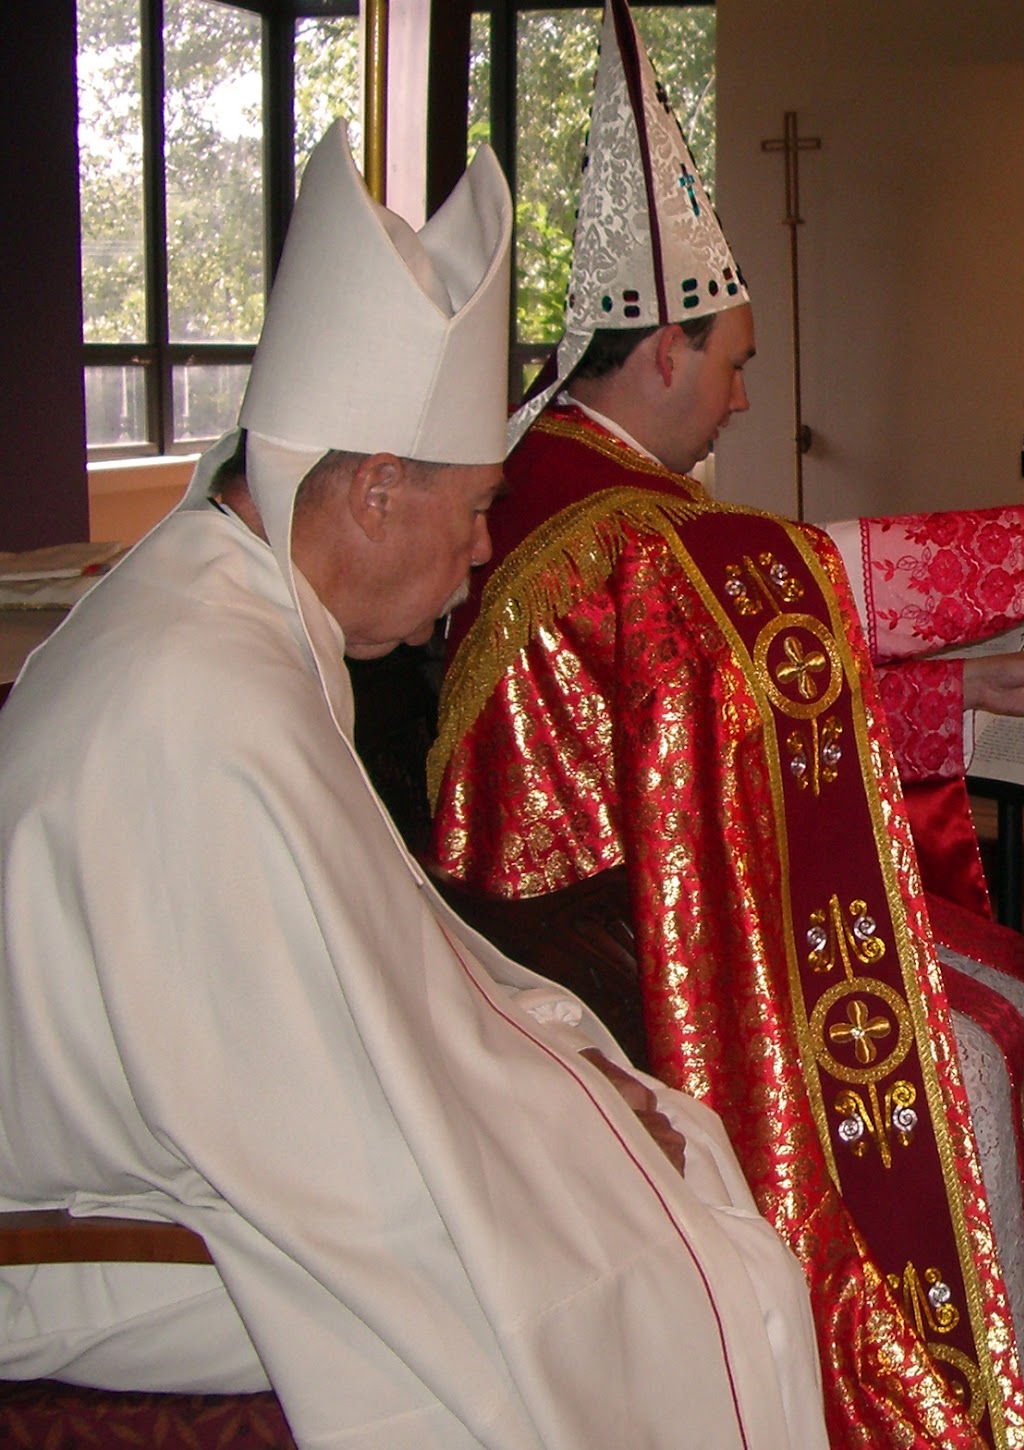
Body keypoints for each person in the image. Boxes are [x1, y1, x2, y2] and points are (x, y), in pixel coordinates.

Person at [422, 4, 1024, 1445]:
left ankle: (1018, 1359)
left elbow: (737, 702)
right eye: (731, 362)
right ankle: (939, 1386)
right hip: (620, 950)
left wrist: (961, 695)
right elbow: (816, 581)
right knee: (970, 1050)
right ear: (661, 352)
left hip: (649, 890)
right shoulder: (606, 518)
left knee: (1013, 985)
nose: (741, 398)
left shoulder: (580, 479)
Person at [0, 123, 827, 1450]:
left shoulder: (228, 601)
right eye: (477, 505)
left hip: (148, 1153)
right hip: (101, 1231)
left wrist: (546, 1091)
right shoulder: (206, 689)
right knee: (672, 1274)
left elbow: (323, 979)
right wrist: (544, 1124)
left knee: (652, 1166)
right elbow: (285, 1101)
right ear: (378, 489)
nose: (485, 546)